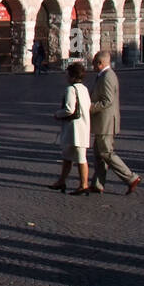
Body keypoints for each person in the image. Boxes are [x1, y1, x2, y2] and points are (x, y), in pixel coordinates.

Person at [89, 51, 141, 194]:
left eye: (94, 62)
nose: (92, 65)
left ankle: (131, 177)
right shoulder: (104, 75)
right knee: (98, 154)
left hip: (105, 122)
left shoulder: (107, 77)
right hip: (103, 122)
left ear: (100, 63)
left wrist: (90, 107)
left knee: (106, 153)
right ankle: (98, 184)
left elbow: (107, 100)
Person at [48, 61, 93, 194]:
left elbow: (69, 109)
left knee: (80, 157)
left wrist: (57, 114)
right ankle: (61, 181)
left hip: (74, 128)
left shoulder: (71, 89)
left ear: (72, 76)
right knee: (67, 156)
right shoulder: (84, 89)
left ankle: (84, 184)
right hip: (83, 126)